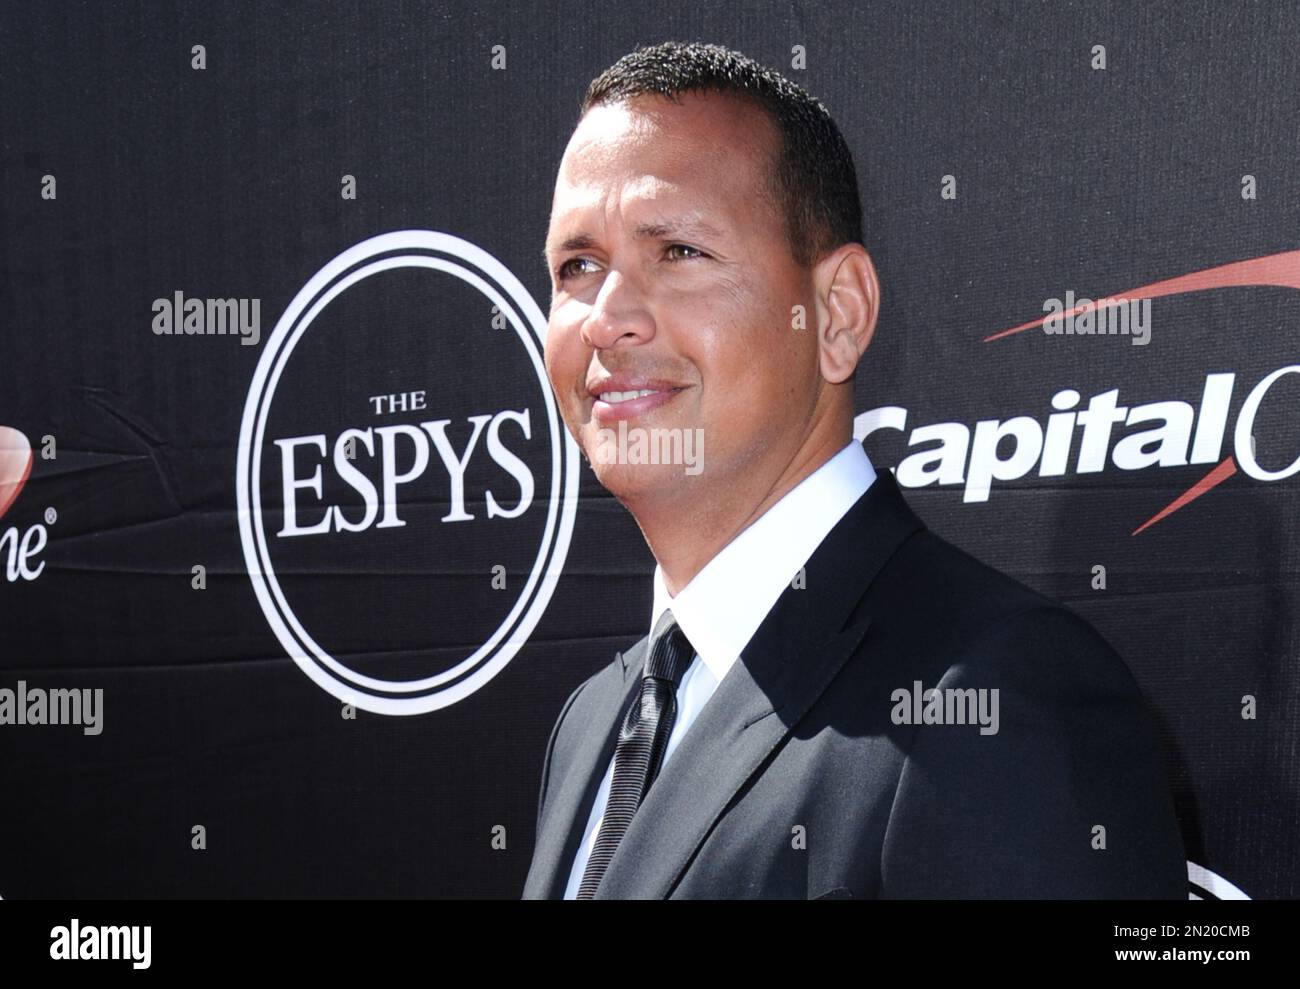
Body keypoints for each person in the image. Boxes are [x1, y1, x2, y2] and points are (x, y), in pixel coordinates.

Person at [523, 40, 1186, 899]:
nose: (607, 317)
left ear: (837, 312)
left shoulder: (994, 696)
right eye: (577, 265)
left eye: (678, 252)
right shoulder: (589, 727)